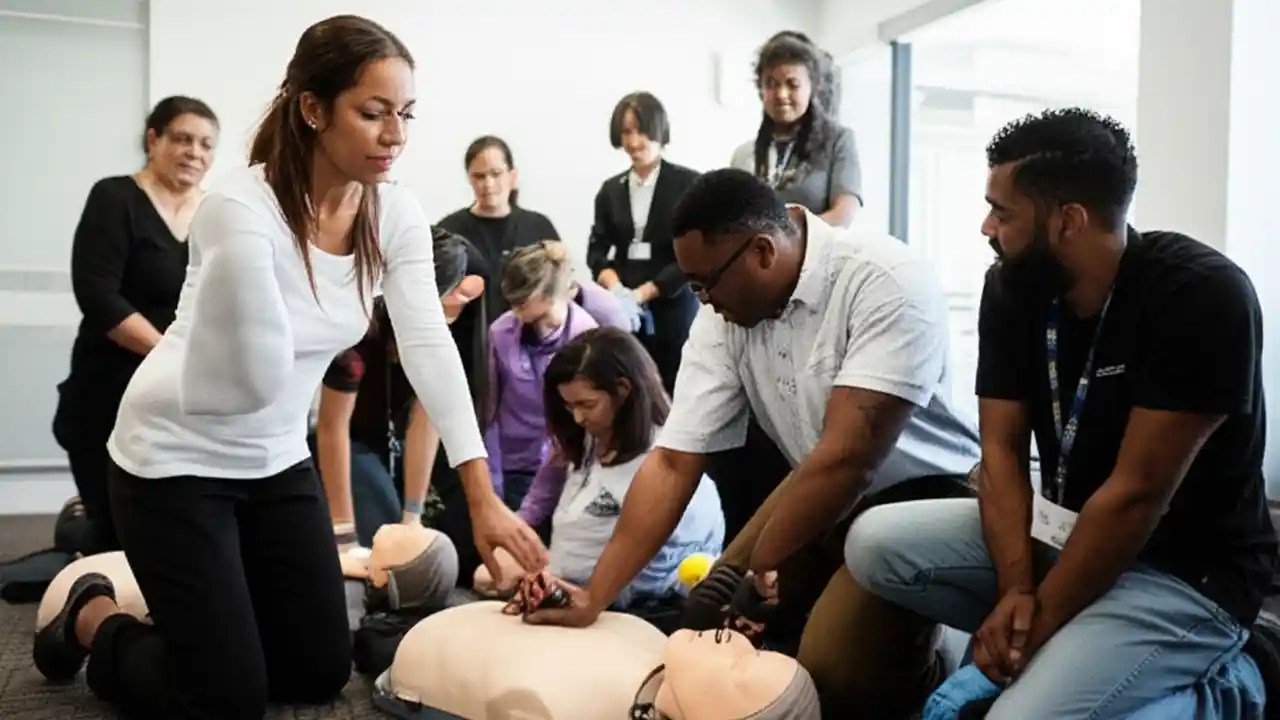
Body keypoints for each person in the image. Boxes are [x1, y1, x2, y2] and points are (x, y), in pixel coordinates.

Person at [31, 16, 546, 720]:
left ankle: (208, 614)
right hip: (173, 458)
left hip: (274, 458)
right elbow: (252, 379)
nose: (395, 134)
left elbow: (428, 344)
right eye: (372, 113)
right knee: (226, 697)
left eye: (405, 114)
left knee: (314, 671)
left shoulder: (393, 210)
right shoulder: (238, 210)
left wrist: (481, 496)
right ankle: (90, 619)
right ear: (312, 108)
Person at [845, 108, 1278, 718]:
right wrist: (1018, 589)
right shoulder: (1013, 287)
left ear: (1068, 221)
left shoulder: (1201, 296)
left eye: (1004, 211)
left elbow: (1135, 496)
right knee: (875, 543)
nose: (986, 226)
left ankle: (1229, 683)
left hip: (1184, 574)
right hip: (1066, 538)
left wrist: (1034, 626)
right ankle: (1088, 648)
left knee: (1015, 716)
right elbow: (997, 451)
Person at [524, 169, 981, 716]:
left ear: (762, 251)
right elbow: (672, 461)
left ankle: (935, 654)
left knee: (835, 670)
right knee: (707, 615)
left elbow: (850, 459)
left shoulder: (884, 278)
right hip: (816, 477)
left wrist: (760, 568)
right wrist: (593, 596)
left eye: (704, 284)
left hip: (920, 494)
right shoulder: (726, 315)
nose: (702, 301)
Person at [52, 96, 219, 556]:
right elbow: (99, 297)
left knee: (173, 533)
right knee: (112, 537)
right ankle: (80, 534)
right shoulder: (114, 197)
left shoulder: (216, 213)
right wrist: (172, 353)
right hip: (108, 388)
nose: (194, 152)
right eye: (182, 139)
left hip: (182, 397)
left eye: (206, 144)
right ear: (153, 139)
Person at [516, 327, 724, 631]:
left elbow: (661, 569)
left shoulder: (666, 461)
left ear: (623, 390)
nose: (578, 418)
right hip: (567, 591)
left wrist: (585, 596)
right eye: (569, 406)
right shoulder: (589, 437)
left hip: (638, 614)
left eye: (586, 405)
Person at [314, 228, 484, 577]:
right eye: (448, 300)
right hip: (348, 438)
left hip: (395, 438)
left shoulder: (453, 330)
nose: (457, 307)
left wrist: (413, 516)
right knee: (380, 532)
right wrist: (343, 533)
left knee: (418, 536)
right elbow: (333, 429)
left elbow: (426, 417)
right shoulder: (361, 330)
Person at [485, 241, 615, 511]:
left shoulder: (586, 335)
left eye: (546, 316)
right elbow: (489, 412)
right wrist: (492, 485)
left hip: (570, 462)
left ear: (563, 295)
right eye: (524, 315)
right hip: (514, 465)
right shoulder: (500, 333)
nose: (543, 330)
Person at [587, 92, 701, 394]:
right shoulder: (611, 190)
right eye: (626, 132)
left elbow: (697, 253)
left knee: (675, 387)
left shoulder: (688, 184)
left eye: (642, 130)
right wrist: (617, 291)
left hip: (673, 305)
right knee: (629, 387)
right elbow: (597, 250)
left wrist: (646, 293)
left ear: (659, 130)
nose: (634, 141)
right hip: (625, 312)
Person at [730, 31, 860, 227]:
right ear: (761, 89)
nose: (781, 94)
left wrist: (788, 238)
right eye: (771, 84)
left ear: (812, 88)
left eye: (793, 84)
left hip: (818, 254)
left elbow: (843, 214)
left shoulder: (838, 141)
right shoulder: (743, 155)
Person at [435, 135, 560, 317]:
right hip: (468, 339)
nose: (488, 184)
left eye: (496, 174)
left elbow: (560, 287)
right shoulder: (449, 232)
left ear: (512, 175)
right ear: (469, 179)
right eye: (479, 176)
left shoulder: (539, 227)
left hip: (529, 337)